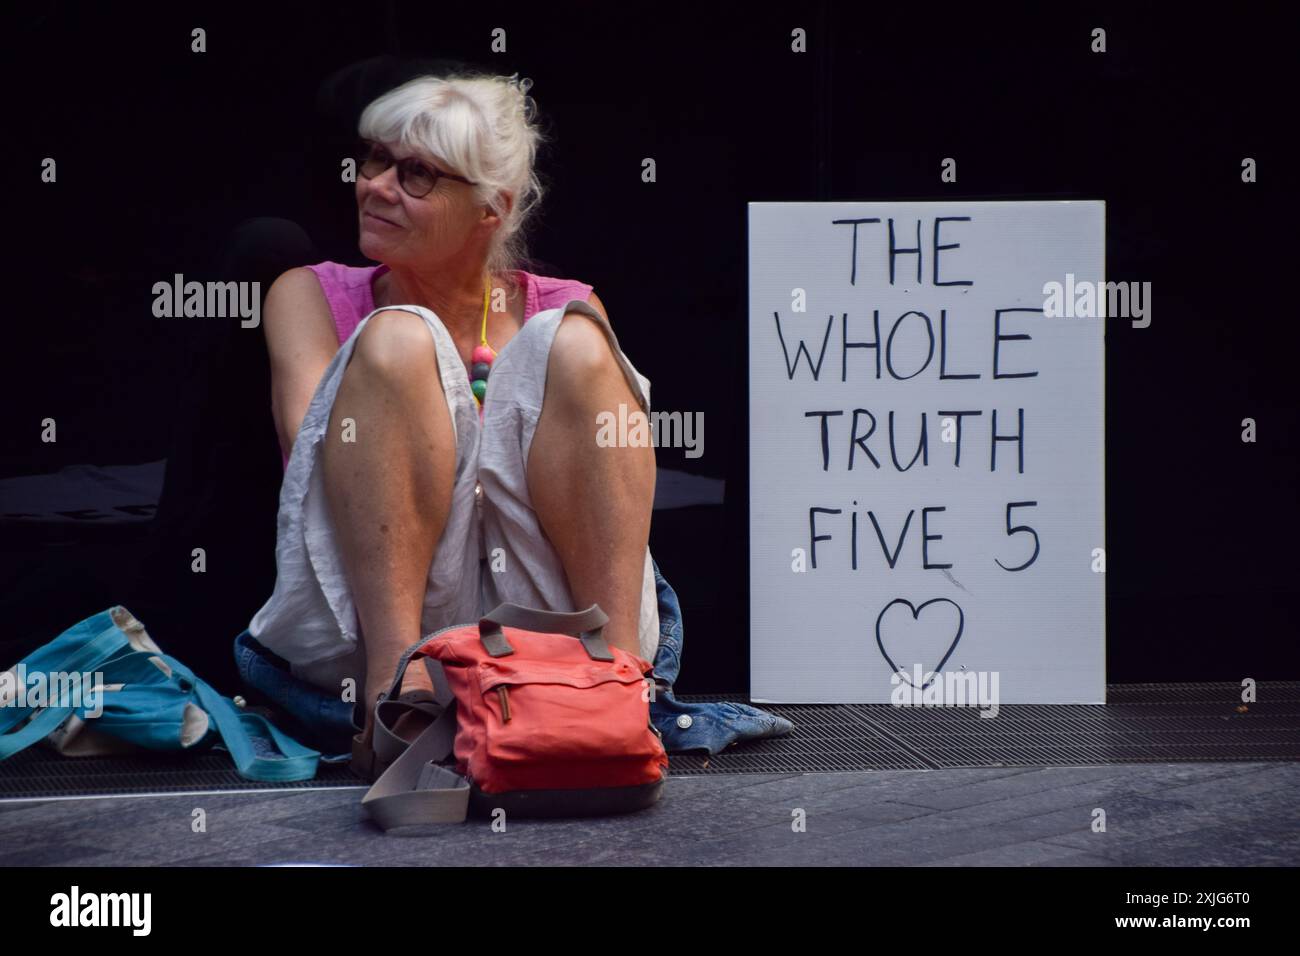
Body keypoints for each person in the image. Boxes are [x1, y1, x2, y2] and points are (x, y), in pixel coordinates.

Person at [244, 71, 660, 750]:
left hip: (544, 629)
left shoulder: (564, 305)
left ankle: (621, 689)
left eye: (415, 174)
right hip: (367, 622)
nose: (374, 185)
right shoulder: (307, 295)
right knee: (400, 336)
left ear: (489, 209)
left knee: (578, 341)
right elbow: (312, 462)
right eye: (375, 159)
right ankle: (394, 699)